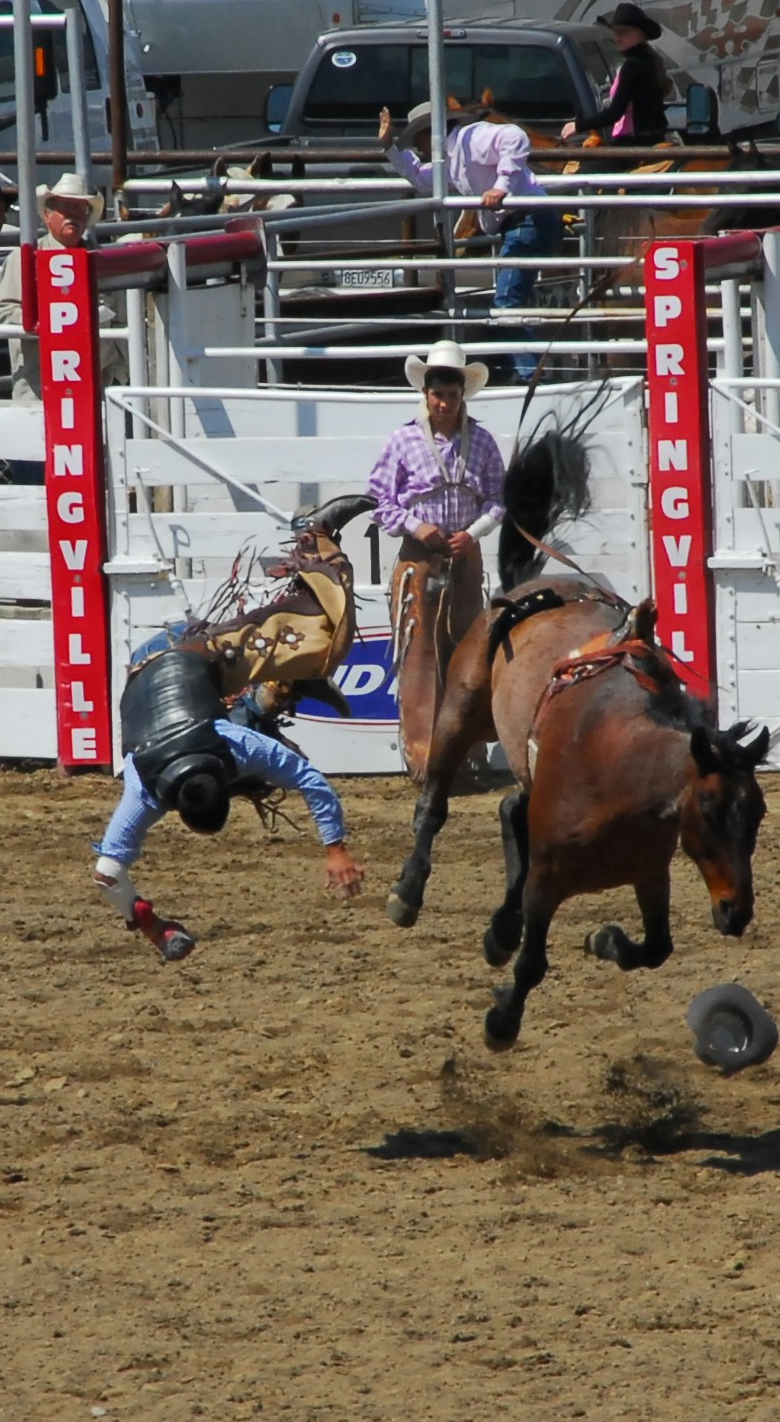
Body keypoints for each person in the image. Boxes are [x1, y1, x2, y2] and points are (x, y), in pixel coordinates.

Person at [93, 643, 363, 961]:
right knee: (249, 725)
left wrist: (153, 927)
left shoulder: (147, 785)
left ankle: (283, 683)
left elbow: (107, 875)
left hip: (170, 655)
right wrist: (335, 848)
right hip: (178, 655)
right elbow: (310, 780)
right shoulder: (227, 746)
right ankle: (283, 683)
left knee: (250, 724)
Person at [370, 348, 503, 772]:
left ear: (463, 395)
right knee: (419, 655)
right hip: (420, 557)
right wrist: (416, 527)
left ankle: (468, 753)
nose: (444, 403)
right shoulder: (403, 439)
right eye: (437, 394)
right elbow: (379, 500)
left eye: (451, 394)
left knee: (466, 650)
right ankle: (425, 760)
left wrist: (474, 533)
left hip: (465, 554)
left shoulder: (481, 440)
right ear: (425, 395)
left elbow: (499, 499)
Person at [383, 95, 562, 330]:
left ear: (431, 134)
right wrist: (389, 147)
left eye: (419, 140)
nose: (419, 148)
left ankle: (528, 367)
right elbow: (421, 178)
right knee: (511, 301)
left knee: (507, 303)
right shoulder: (451, 159)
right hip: (525, 220)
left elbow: (515, 137)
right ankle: (529, 364)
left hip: (526, 220)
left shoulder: (471, 139)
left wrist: (501, 187)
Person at [0, 181, 96, 329]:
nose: (73, 214)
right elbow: (3, 312)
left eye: (80, 208)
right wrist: (44, 321)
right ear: (47, 215)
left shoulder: (99, 258)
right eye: (65, 208)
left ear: (87, 217)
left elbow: (120, 313)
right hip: (41, 349)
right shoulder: (24, 259)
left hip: (96, 349)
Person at [581, 2, 677, 146]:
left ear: (640, 34)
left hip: (634, 142)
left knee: (587, 168)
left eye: (624, 32)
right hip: (655, 138)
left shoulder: (632, 65)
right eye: (615, 32)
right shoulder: (649, 59)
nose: (618, 38)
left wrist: (578, 126)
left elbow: (615, 113)